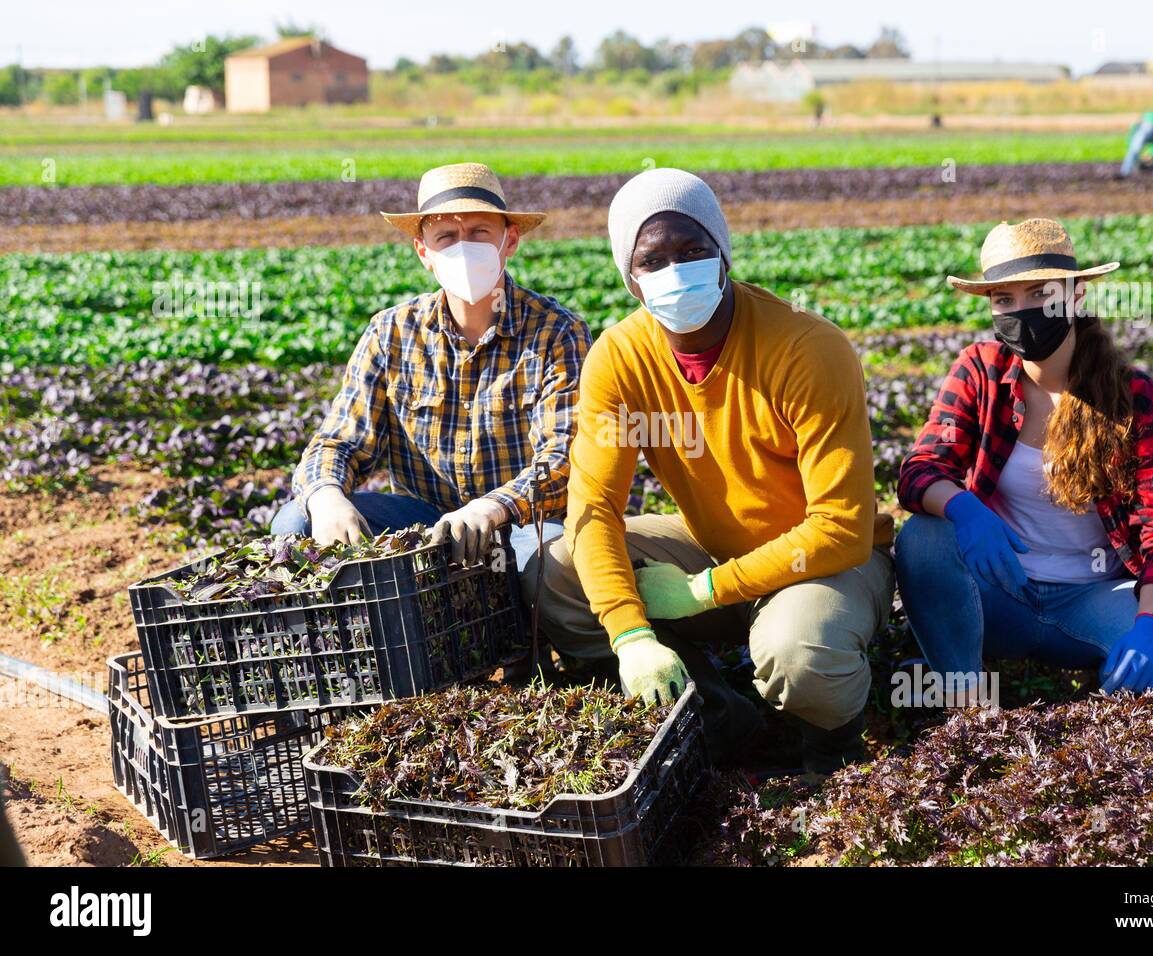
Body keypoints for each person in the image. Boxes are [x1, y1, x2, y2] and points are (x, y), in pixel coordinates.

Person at [533, 168, 895, 774]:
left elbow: (840, 528)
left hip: (825, 565)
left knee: (799, 650)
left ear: (724, 255)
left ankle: (829, 748)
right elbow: (593, 508)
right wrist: (631, 636)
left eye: (693, 250)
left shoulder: (806, 349)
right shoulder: (620, 360)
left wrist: (703, 591)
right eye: (654, 259)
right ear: (631, 279)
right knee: (558, 572)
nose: (676, 271)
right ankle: (720, 715)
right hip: (712, 547)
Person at [894, 218, 1153, 704]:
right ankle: (965, 693)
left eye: (1040, 293)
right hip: (1000, 591)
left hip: (1094, 598)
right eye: (1004, 301)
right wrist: (965, 510)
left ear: (1075, 295)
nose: (1023, 312)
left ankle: (1109, 691)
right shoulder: (981, 371)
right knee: (923, 539)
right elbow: (920, 470)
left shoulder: (1133, 397)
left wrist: (1149, 626)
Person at [272, 163, 592, 577]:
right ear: (424, 252)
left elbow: (563, 456)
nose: (464, 247)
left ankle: (531, 631)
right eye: (447, 237)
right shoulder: (392, 332)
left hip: (522, 524)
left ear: (508, 241)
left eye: (479, 233)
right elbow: (339, 442)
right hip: (421, 522)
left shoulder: (556, 332)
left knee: (554, 564)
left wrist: (492, 507)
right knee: (295, 524)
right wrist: (326, 496)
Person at [1120, 111, 1153, 177]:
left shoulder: (1138, 126)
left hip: (1146, 128)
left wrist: (1141, 157)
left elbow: (1131, 142)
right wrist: (1151, 153)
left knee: (1133, 151)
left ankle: (1125, 171)